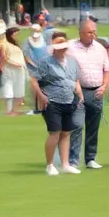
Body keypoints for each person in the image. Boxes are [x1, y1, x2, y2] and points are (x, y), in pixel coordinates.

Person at [29, 33, 84, 175]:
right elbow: (34, 80)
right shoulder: (46, 62)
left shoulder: (72, 61)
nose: (62, 50)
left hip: (69, 100)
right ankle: (50, 165)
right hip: (52, 101)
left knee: (66, 133)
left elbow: (75, 80)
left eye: (64, 47)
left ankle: (65, 164)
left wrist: (80, 94)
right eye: (59, 48)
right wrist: (41, 96)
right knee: (54, 133)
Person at [65, 17, 109, 169]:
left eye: (94, 32)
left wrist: (104, 86)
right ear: (81, 33)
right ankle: (73, 160)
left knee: (93, 126)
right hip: (77, 91)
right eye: (90, 32)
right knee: (77, 125)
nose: (93, 35)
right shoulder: (71, 47)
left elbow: (107, 70)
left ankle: (90, 158)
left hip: (96, 91)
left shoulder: (100, 48)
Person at [0, 26, 28, 115]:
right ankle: (9, 111)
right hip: (9, 69)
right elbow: (4, 58)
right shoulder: (4, 44)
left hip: (20, 69)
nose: (17, 35)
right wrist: (15, 64)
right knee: (8, 88)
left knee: (18, 89)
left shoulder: (16, 44)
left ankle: (15, 110)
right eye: (15, 34)